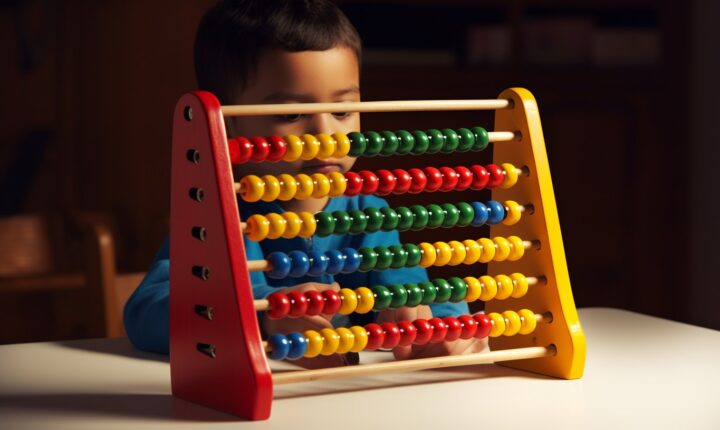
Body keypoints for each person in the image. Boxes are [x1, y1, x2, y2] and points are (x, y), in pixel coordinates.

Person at [124, 0, 486, 367]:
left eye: (343, 111)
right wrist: (263, 316)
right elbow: (144, 312)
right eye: (291, 114)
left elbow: (415, 292)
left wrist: (435, 320)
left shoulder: (368, 213)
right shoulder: (217, 220)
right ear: (227, 123)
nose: (325, 135)